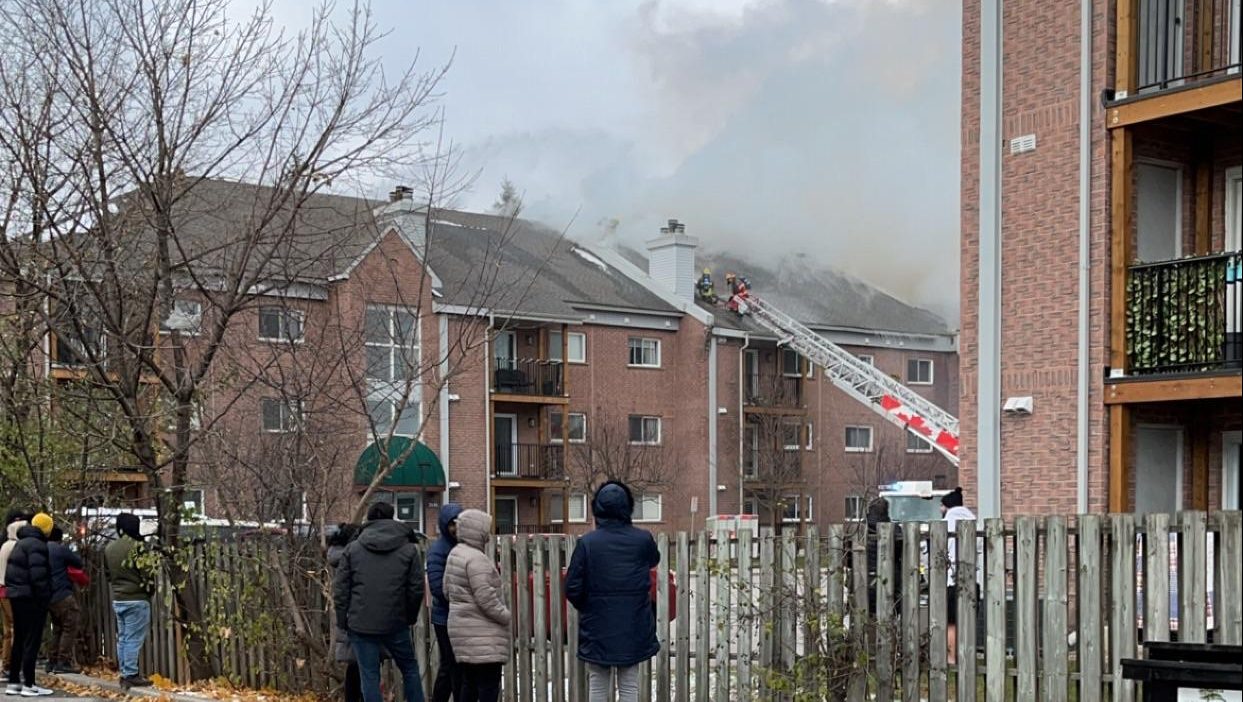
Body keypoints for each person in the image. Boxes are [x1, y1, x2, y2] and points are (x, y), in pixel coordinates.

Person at [565, 481, 660, 702]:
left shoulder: (588, 543)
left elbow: (572, 587)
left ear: (597, 509)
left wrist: (590, 605)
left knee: (598, 681)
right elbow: (654, 559)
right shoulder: (642, 539)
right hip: (633, 624)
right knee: (629, 683)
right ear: (628, 507)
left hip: (597, 625)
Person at [333, 502, 425, 702]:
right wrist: (408, 617)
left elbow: (341, 590)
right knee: (409, 668)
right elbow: (416, 589)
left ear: (369, 519)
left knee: (369, 675)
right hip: (395, 621)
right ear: (392, 517)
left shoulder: (353, 548)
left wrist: (343, 621)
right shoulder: (409, 549)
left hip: (361, 623)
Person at [444, 509, 509, 702]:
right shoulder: (476, 559)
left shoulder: (455, 554)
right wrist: (504, 615)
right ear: (476, 530)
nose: (488, 533)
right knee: (488, 687)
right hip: (483, 636)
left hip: (461, 632)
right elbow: (485, 597)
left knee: (468, 684)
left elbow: (446, 590)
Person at [5, 512, 54, 697]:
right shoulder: (37, 545)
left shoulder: (20, 543)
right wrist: (44, 597)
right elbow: (38, 575)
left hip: (16, 595)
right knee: (31, 641)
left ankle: (14, 682)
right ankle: (29, 683)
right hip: (31, 598)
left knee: (19, 639)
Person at [104, 513, 154, 690]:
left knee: (123, 638)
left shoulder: (109, 548)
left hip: (119, 599)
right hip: (137, 599)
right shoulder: (138, 547)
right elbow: (148, 574)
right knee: (133, 639)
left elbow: (108, 575)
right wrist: (150, 590)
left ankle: (125, 672)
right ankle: (131, 674)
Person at [425, 503, 463, 702]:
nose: (456, 528)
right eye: (451, 524)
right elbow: (437, 587)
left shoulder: (463, 546)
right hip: (444, 618)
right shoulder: (438, 550)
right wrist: (463, 597)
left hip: (461, 616)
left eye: (459, 523)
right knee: (450, 665)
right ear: (444, 525)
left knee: (455, 666)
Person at [941, 487, 980, 661]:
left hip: (951, 579)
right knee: (968, 621)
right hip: (973, 579)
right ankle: (968, 656)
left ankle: (951, 658)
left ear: (947, 506)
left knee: (951, 622)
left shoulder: (946, 523)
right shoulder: (975, 523)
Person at [326, 524, 362, 702]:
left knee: (355, 666)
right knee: (359, 668)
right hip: (355, 616)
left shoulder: (338, 556)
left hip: (346, 616)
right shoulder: (350, 558)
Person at [45, 528, 83, 674]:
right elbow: (78, 563)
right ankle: (63, 661)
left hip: (49, 597)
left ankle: (52, 661)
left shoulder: (42, 549)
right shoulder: (60, 550)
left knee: (57, 629)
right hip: (62, 594)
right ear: (60, 538)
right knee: (70, 626)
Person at [0, 510, 30, 683]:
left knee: (8, 631)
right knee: (15, 629)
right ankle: (10, 666)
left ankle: (6, 665)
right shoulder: (15, 547)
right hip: (12, 591)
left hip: (3, 591)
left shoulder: (4, 545)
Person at [864, 498, 903, 622]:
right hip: (890, 579)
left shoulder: (859, 529)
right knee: (890, 616)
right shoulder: (894, 530)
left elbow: (848, 559)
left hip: (863, 579)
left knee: (865, 617)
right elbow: (900, 553)